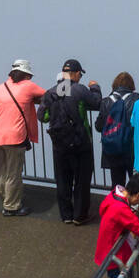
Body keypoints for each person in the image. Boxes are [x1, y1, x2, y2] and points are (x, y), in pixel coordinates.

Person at [41, 59, 101, 225]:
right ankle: (79, 215)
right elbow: (96, 102)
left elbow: (42, 117)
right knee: (81, 180)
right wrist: (95, 88)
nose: (80, 77)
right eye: (80, 74)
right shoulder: (79, 89)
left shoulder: (52, 92)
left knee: (63, 179)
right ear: (75, 73)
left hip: (59, 142)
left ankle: (66, 215)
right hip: (80, 143)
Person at [0, 58, 46, 217]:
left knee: (0, 172)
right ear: (27, 75)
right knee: (13, 173)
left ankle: (5, 198)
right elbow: (48, 95)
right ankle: (11, 206)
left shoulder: (0, 87)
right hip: (14, 136)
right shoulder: (28, 86)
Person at [94, 72, 139, 188]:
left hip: (112, 149)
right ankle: (134, 206)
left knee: (117, 184)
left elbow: (99, 126)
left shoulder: (106, 101)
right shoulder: (137, 99)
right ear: (131, 85)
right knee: (136, 185)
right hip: (132, 149)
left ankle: (117, 205)